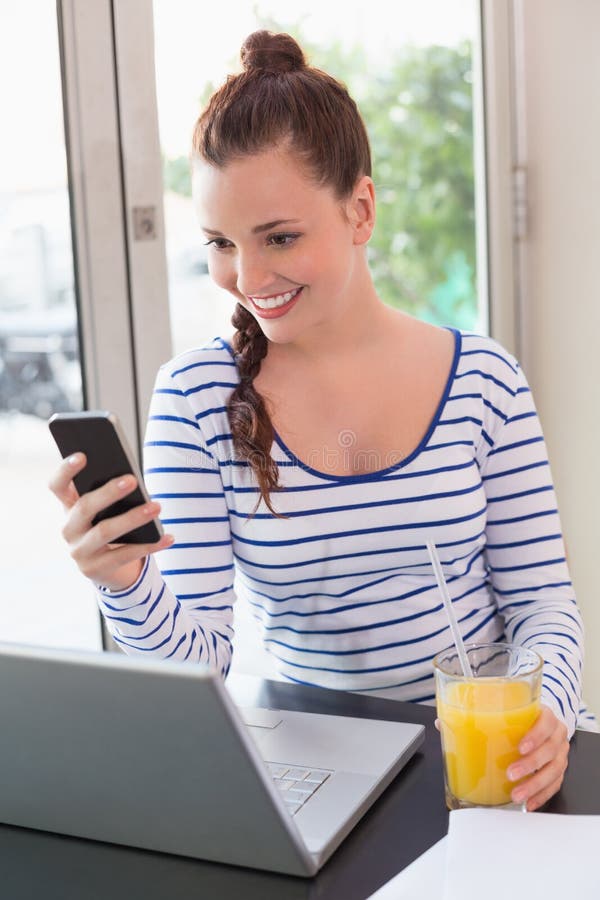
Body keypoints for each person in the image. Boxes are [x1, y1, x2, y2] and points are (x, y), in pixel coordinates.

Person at [50, 30, 596, 813]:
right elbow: (197, 667)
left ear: (361, 209)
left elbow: (543, 602)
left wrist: (552, 712)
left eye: (279, 237)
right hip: (311, 771)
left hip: (488, 758)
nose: (248, 277)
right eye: (221, 244)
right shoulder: (196, 400)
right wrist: (125, 581)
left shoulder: (484, 382)